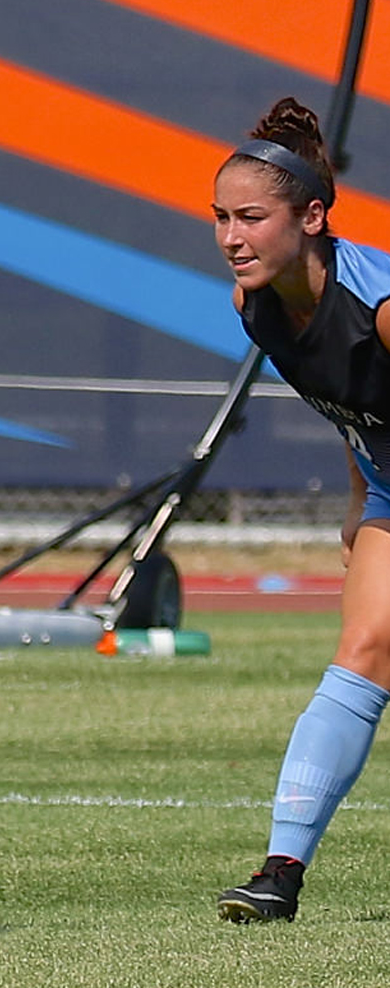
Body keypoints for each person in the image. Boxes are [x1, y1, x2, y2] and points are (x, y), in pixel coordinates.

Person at [212, 97, 390, 923]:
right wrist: (359, 499)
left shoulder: (378, 306)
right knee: (362, 655)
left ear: (312, 218)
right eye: (222, 217)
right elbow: (350, 407)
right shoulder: (257, 306)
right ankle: (280, 875)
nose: (231, 236)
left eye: (251, 218)